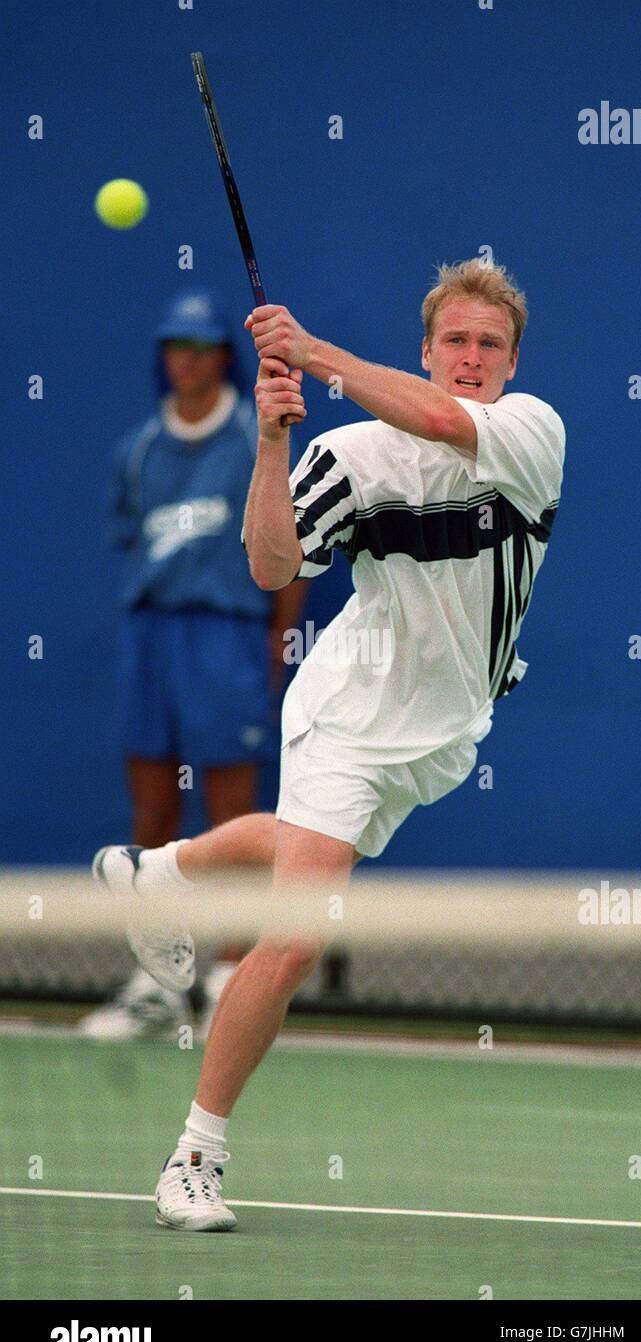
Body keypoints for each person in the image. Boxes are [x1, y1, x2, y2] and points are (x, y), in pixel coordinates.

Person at [93, 259, 565, 1228]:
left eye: (489, 346)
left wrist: (314, 356)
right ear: (425, 349)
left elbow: (440, 424)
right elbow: (271, 562)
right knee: (301, 924)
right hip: (347, 710)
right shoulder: (351, 456)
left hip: (444, 728)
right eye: (455, 342)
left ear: (511, 365)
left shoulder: (529, 433)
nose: (470, 359)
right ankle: (194, 1159)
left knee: (308, 841)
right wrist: (271, 442)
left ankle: (157, 872)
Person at [81, 289, 306, 1039]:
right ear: (164, 359)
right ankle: (156, 987)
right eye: (175, 346)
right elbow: (132, 544)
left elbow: (290, 560)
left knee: (234, 819)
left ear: (223, 356)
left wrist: (276, 649)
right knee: (152, 816)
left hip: (227, 642)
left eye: (202, 346)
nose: (188, 359)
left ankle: (227, 978)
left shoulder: (255, 435)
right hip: (153, 641)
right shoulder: (139, 451)